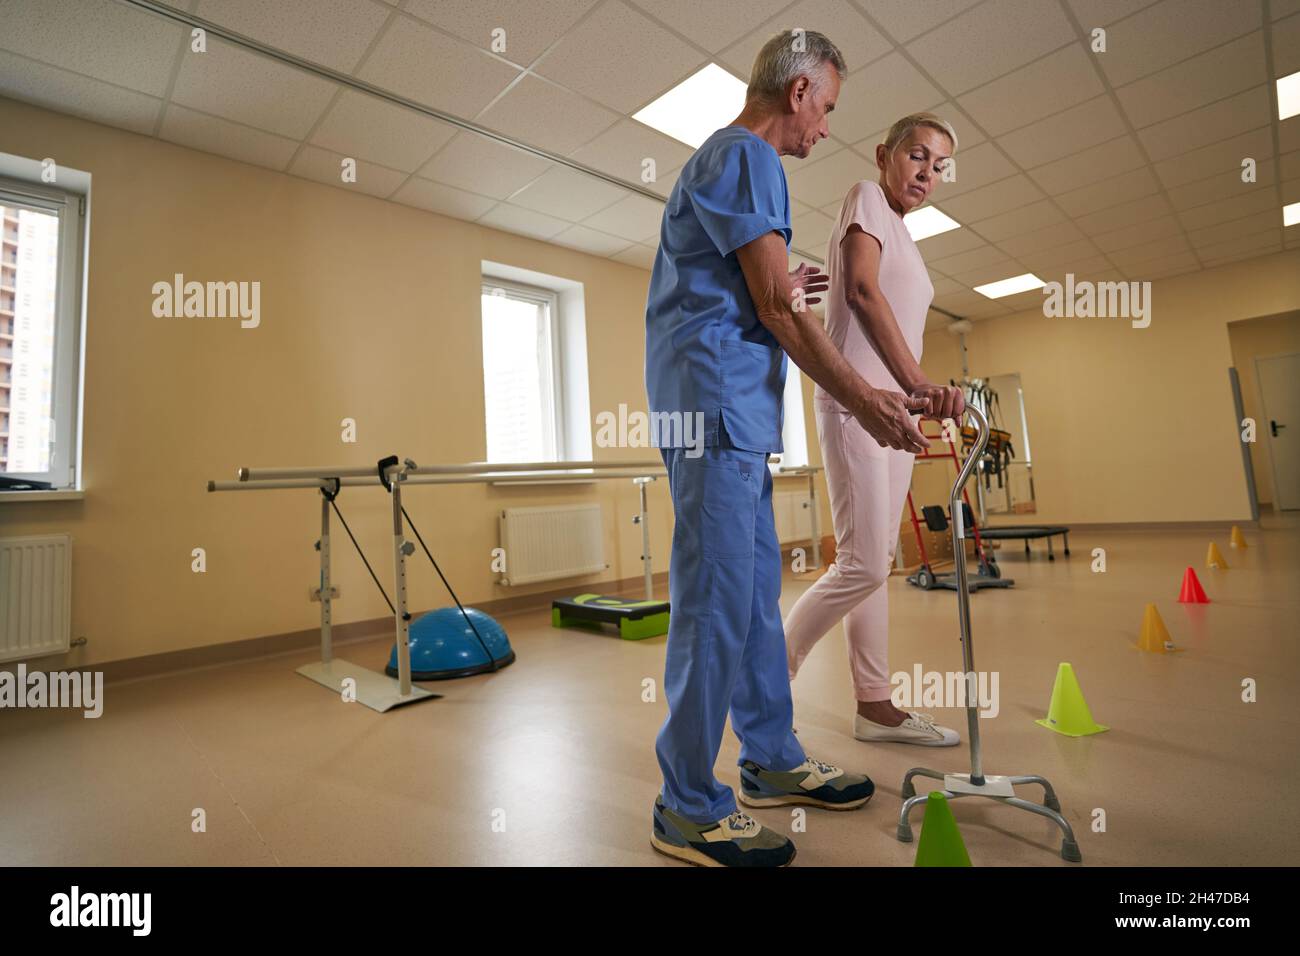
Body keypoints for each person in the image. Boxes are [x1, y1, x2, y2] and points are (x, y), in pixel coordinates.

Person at [643, 31, 930, 868]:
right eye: (828, 107)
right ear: (799, 91)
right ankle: (686, 805)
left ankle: (770, 757)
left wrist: (785, 290)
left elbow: (758, 288)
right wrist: (866, 396)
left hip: (733, 414)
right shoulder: (745, 154)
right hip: (714, 410)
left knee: (751, 598)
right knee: (716, 602)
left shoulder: (735, 171)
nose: (828, 127)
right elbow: (773, 306)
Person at [783, 113, 965, 747]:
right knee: (860, 564)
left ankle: (874, 704)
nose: (927, 172)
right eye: (918, 155)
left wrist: (916, 394)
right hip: (855, 403)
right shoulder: (865, 195)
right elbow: (860, 292)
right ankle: (765, 680)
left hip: (894, 414)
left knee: (876, 563)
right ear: (885, 153)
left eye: (940, 165)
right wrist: (917, 383)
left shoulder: (909, 239)